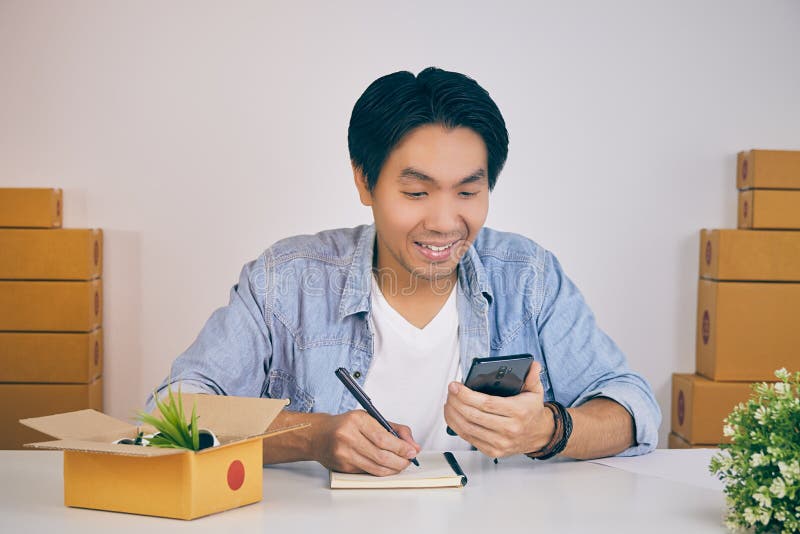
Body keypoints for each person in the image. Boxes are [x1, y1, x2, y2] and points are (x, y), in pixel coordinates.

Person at [145, 67, 661, 476]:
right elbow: (169, 415)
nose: (444, 222)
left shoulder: (527, 276)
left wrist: (548, 430)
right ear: (365, 182)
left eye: (467, 192)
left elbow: (633, 407)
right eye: (415, 193)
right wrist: (313, 436)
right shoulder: (288, 279)